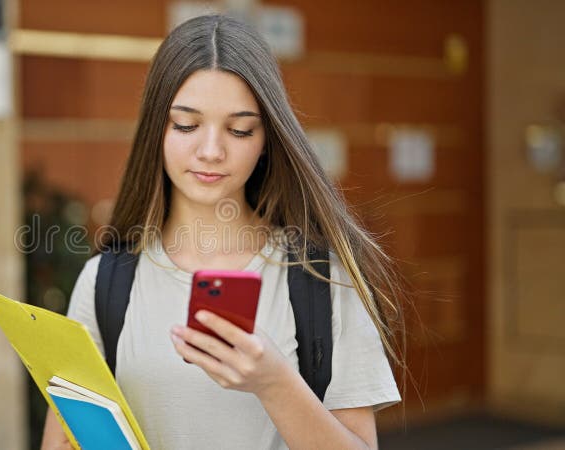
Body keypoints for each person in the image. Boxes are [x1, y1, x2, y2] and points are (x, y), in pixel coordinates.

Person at [41, 13, 406, 450]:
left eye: (239, 129)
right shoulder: (103, 283)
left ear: (267, 137)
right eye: (187, 125)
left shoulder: (321, 279)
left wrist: (273, 383)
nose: (211, 151)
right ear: (156, 127)